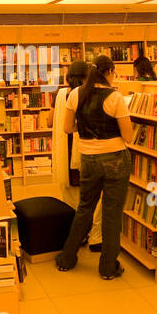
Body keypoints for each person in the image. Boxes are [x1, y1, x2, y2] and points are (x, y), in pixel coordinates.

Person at [55, 55, 135, 279]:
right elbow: (128, 137)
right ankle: (108, 268)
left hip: (88, 159)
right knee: (111, 214)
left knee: (85, 209)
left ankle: (67, 259)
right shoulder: (116, 97)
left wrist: (89, 130)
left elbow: (68, 129)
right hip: (116, 159)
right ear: (109, 72)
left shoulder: (75, 94)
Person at [50, 60, 102, 250]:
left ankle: (75, 235)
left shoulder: (59, 94)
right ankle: (93, 236)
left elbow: (49, 120)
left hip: (64, 154)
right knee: (91, 198)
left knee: (70, 198)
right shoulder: (88, 94)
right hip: (84, 150)